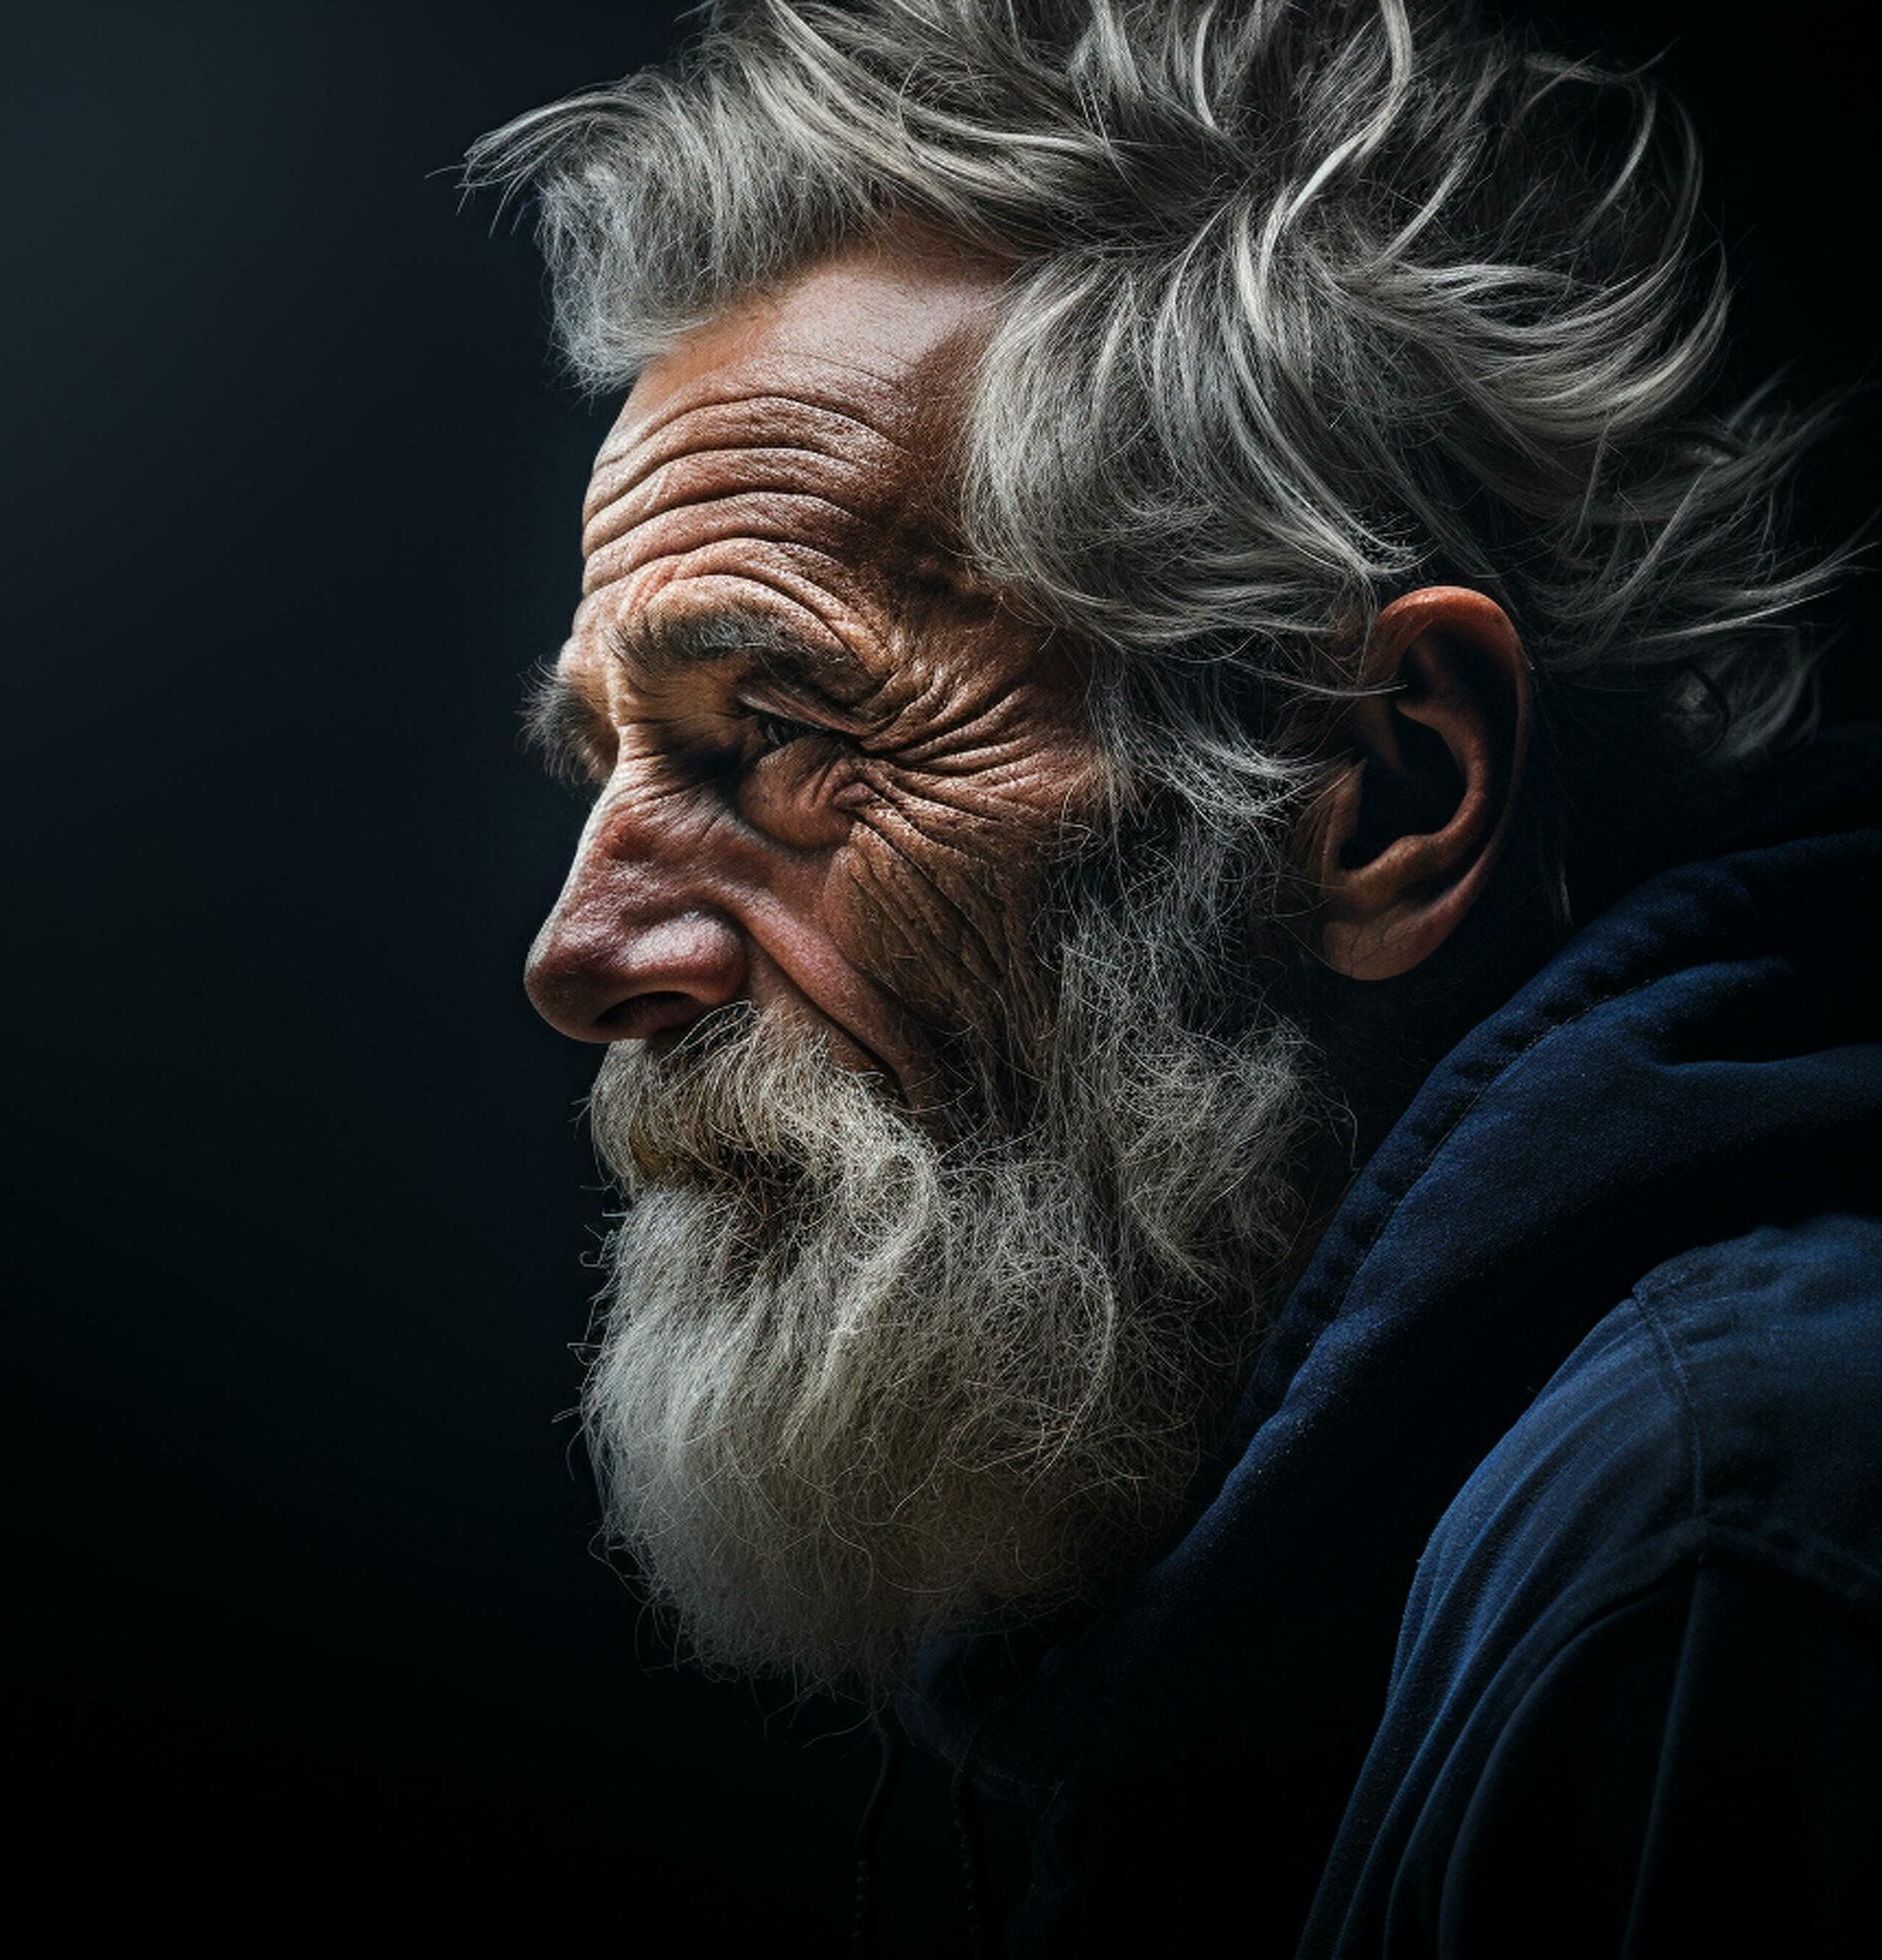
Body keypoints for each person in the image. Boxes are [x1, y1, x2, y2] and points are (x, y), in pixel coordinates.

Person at [470, 3, 1881, 1951]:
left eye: (779, 731)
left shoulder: (1709, 1541)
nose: (582, 949)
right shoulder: (1290, 1614)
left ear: (1382, 783)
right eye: (605, 760)